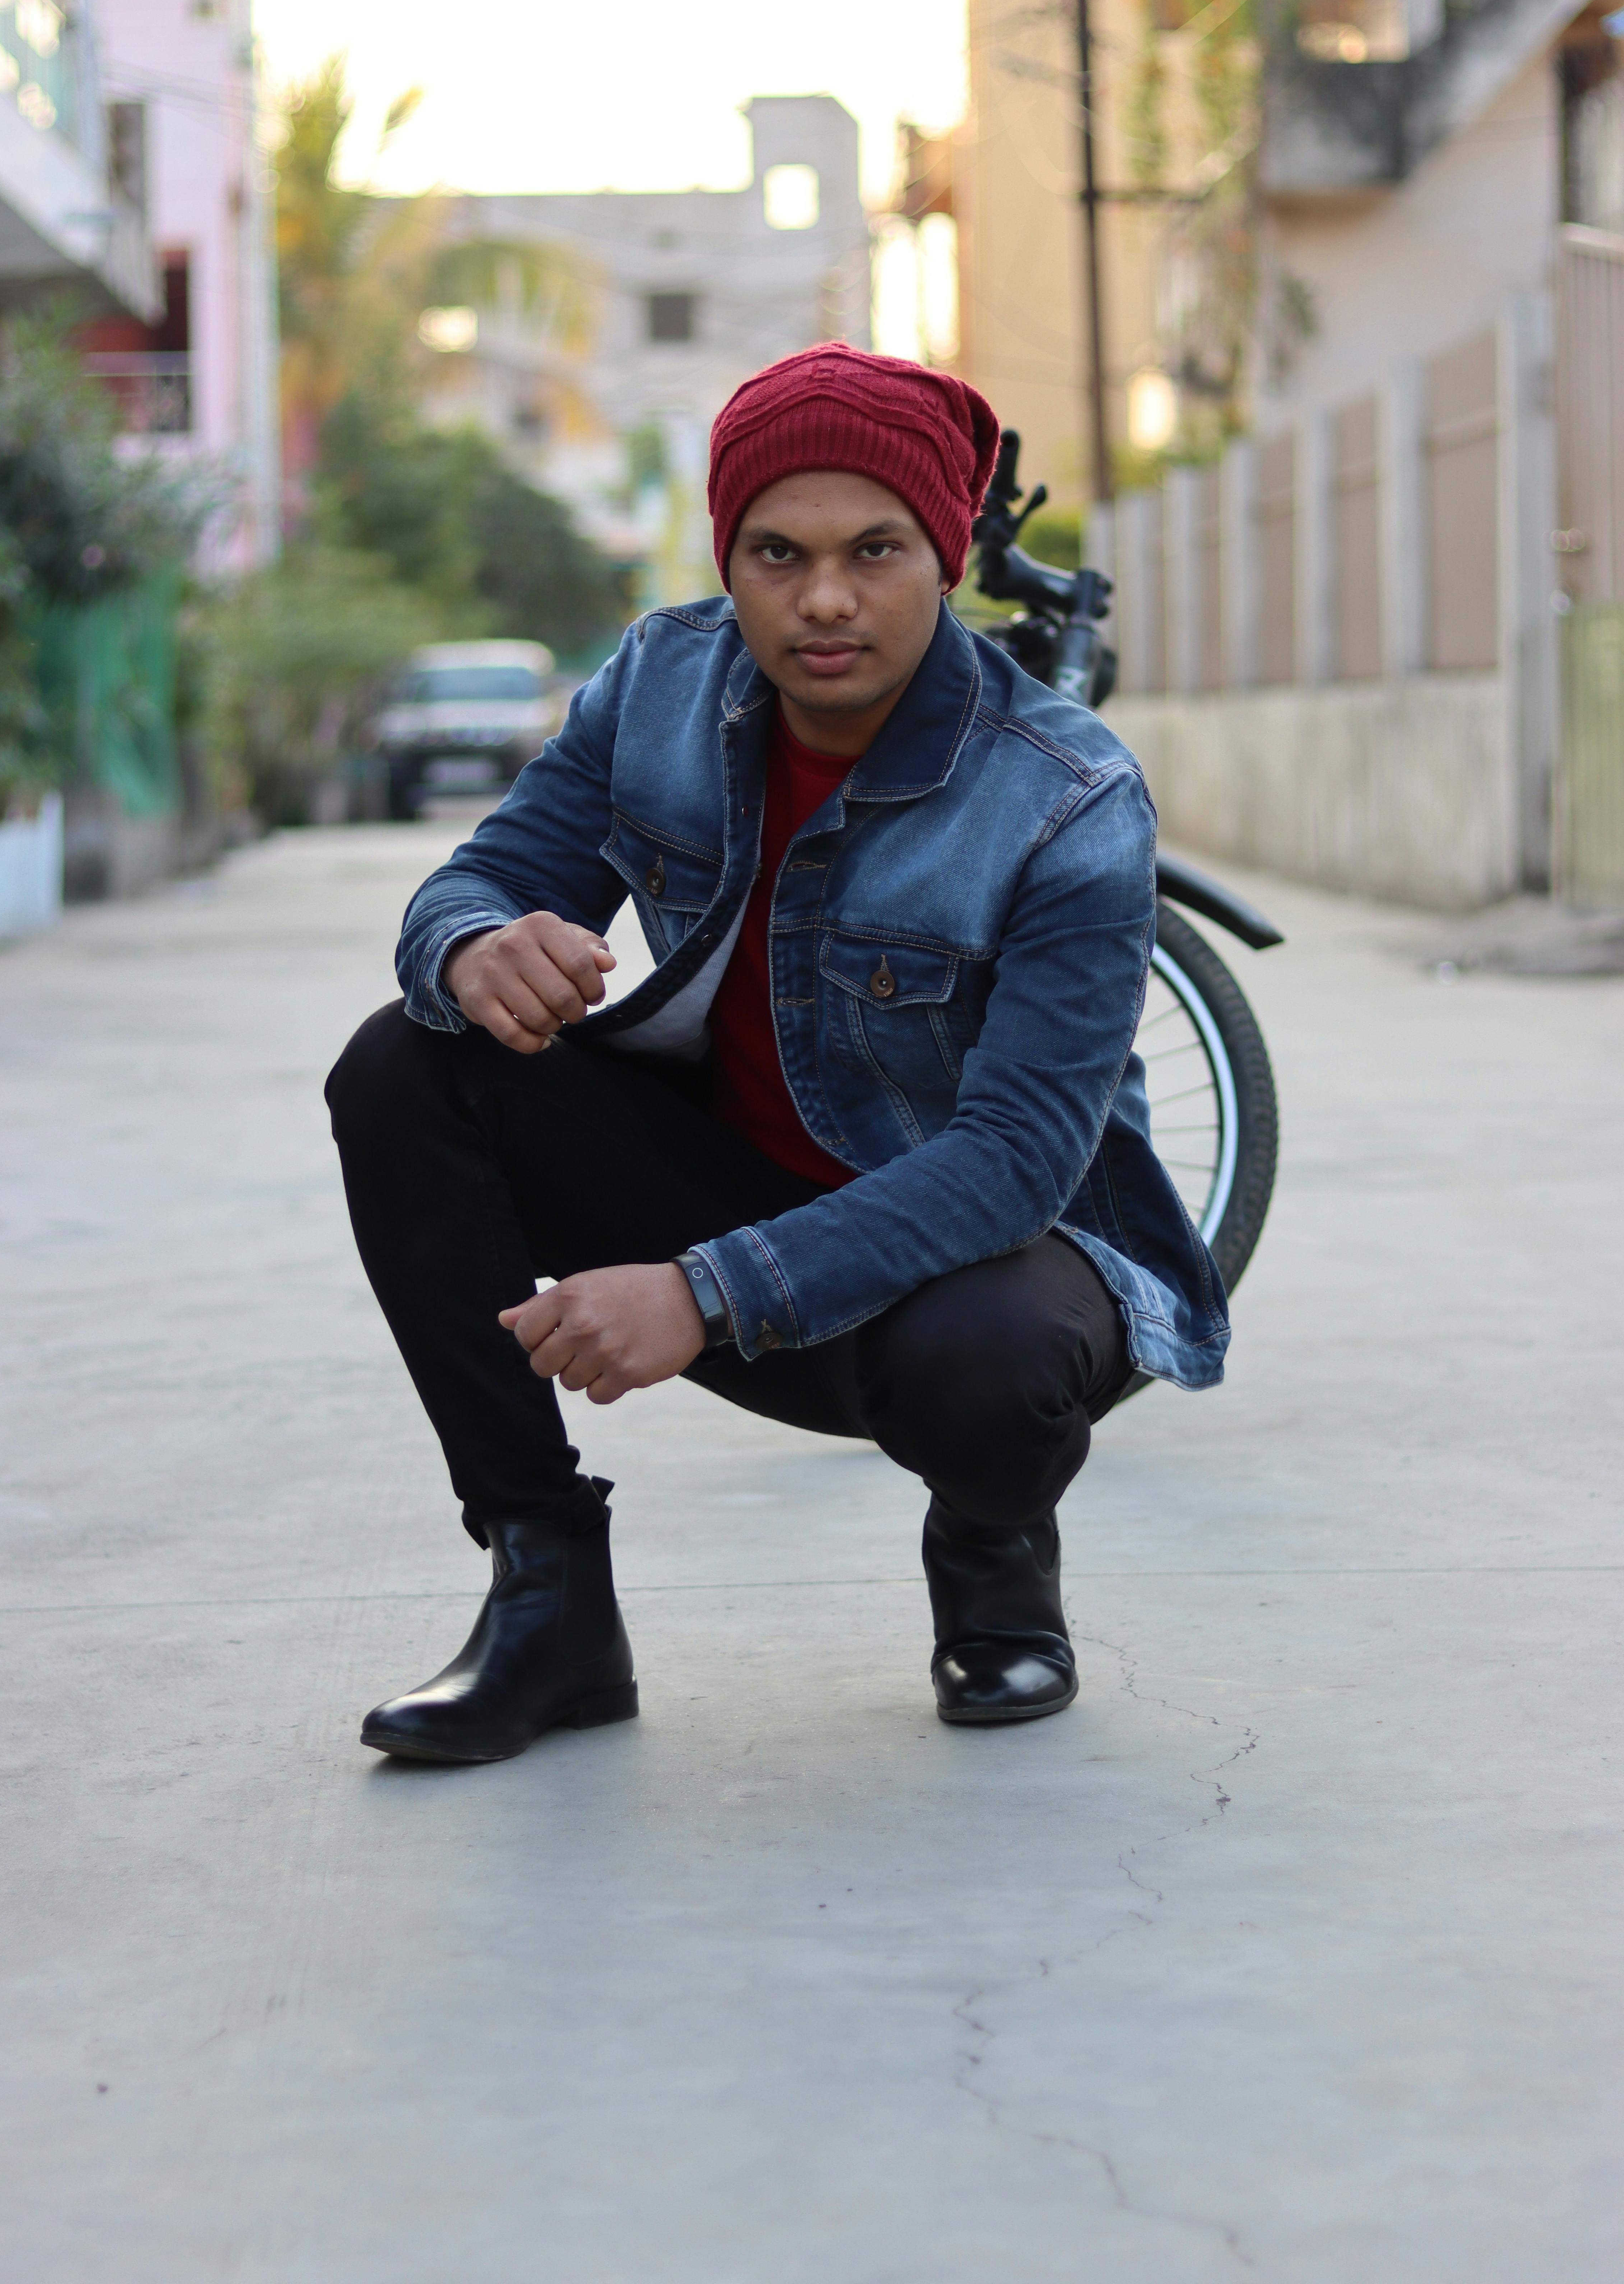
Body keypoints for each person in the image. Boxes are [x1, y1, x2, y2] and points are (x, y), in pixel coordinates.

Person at [326, 342, 1228, 1765]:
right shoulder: (658, 685)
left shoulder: (1066, 797)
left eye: (874, 551)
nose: (824, 601)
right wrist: (471, 945)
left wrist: (702, 1292)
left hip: (973, 1264)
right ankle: (548, 1599)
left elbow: (1012, 1164)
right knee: (404, 1066)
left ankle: (991, 1548)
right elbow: (483, 876)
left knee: (988, 1365)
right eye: (777, 554)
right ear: (728, 562)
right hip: (727, 1181)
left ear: (944, 559)